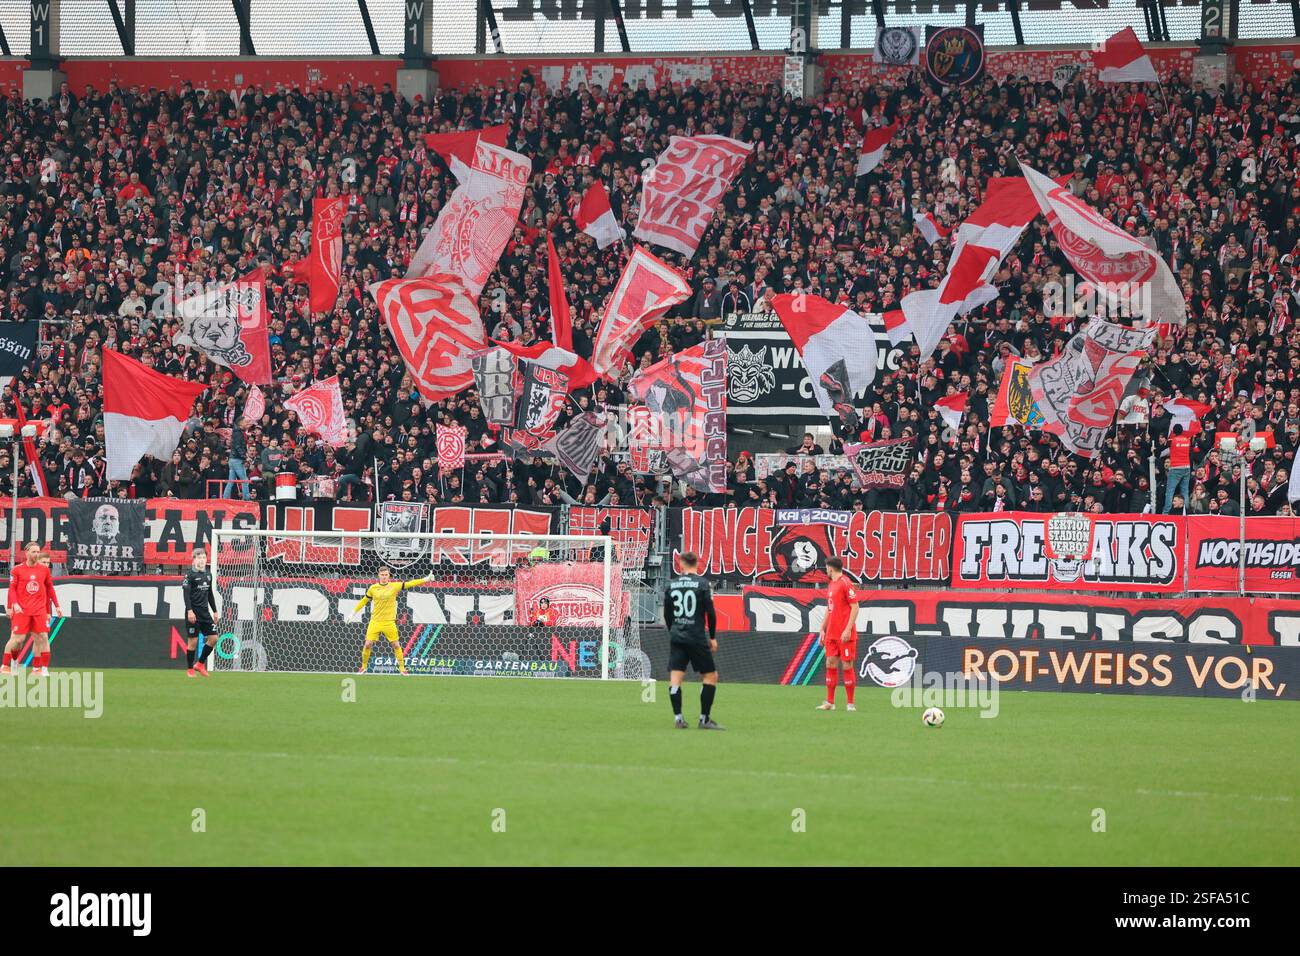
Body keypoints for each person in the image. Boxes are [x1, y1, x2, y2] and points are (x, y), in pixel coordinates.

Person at [663, 551, 722, 730]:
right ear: (696, 563)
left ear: (681, 564)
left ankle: (678, 718)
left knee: (675, 679)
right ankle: (704, 719)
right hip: (696, 637)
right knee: (711, 676)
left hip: (678, 636)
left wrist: (673, 629)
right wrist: (712, 637)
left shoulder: (671, 585)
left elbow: (667, 613)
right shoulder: (703, 584)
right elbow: (710, 613)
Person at [354, 567, 428, 675]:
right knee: (368, 644)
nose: (384, 577)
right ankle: (363, 667)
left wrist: (425, 579)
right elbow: (364, 600)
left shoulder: (394, 586)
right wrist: (354, 612)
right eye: (382, 575)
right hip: (375, 621)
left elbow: (410, 583)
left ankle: (402, 669)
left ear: (389, 576)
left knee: (396, 645)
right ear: (379, 575)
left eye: (386, 575)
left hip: (389, 622)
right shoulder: (373, 588)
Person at [2, 541, 62, 676]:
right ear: (26, 553)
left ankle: (40, 669)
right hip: (22, 610)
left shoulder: (44, 570)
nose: (36, 554)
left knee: (42, 637)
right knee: (18, 639)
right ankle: (7, 664)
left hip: (39, 610)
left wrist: (57, 606)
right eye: (34, 552)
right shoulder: (16, 570)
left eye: (37, 552)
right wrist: (13, 605)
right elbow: (12, 589)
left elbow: (50, 588)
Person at [815, 556, 860, 712]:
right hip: (832, 634)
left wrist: (848, 629)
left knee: (847, 665)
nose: (826, 570)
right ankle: (830, 702)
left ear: (830, 568)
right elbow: (830, 608)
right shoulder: (831, 584)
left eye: (826, 567)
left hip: (844, 634)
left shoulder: (845, 583)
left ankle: (850, 704)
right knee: (830, 663)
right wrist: (822, 628)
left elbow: (855, 606)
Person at [182, 549, 219, 678]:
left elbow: (209, 594)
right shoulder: (189, 575)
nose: (202, 560)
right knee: (193, 641)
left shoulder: (208, 575)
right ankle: (190, 669)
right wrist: (190, 611)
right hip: (193, 613)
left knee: (214, 638)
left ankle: (200, 664)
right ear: (194, 559)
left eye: (204, 557)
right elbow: (186, 595)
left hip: (205, 614)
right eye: (199, 558)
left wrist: (215, 611)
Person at [1164, 423, 1192, 513]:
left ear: (1174, 431)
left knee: (1170, 491)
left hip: (1176, 467)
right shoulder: (1187, 440)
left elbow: (1164, 448)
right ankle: (1185, 511)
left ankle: (1166, 512)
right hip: (1187, 467)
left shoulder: (1172, 440)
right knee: (1185, 491)